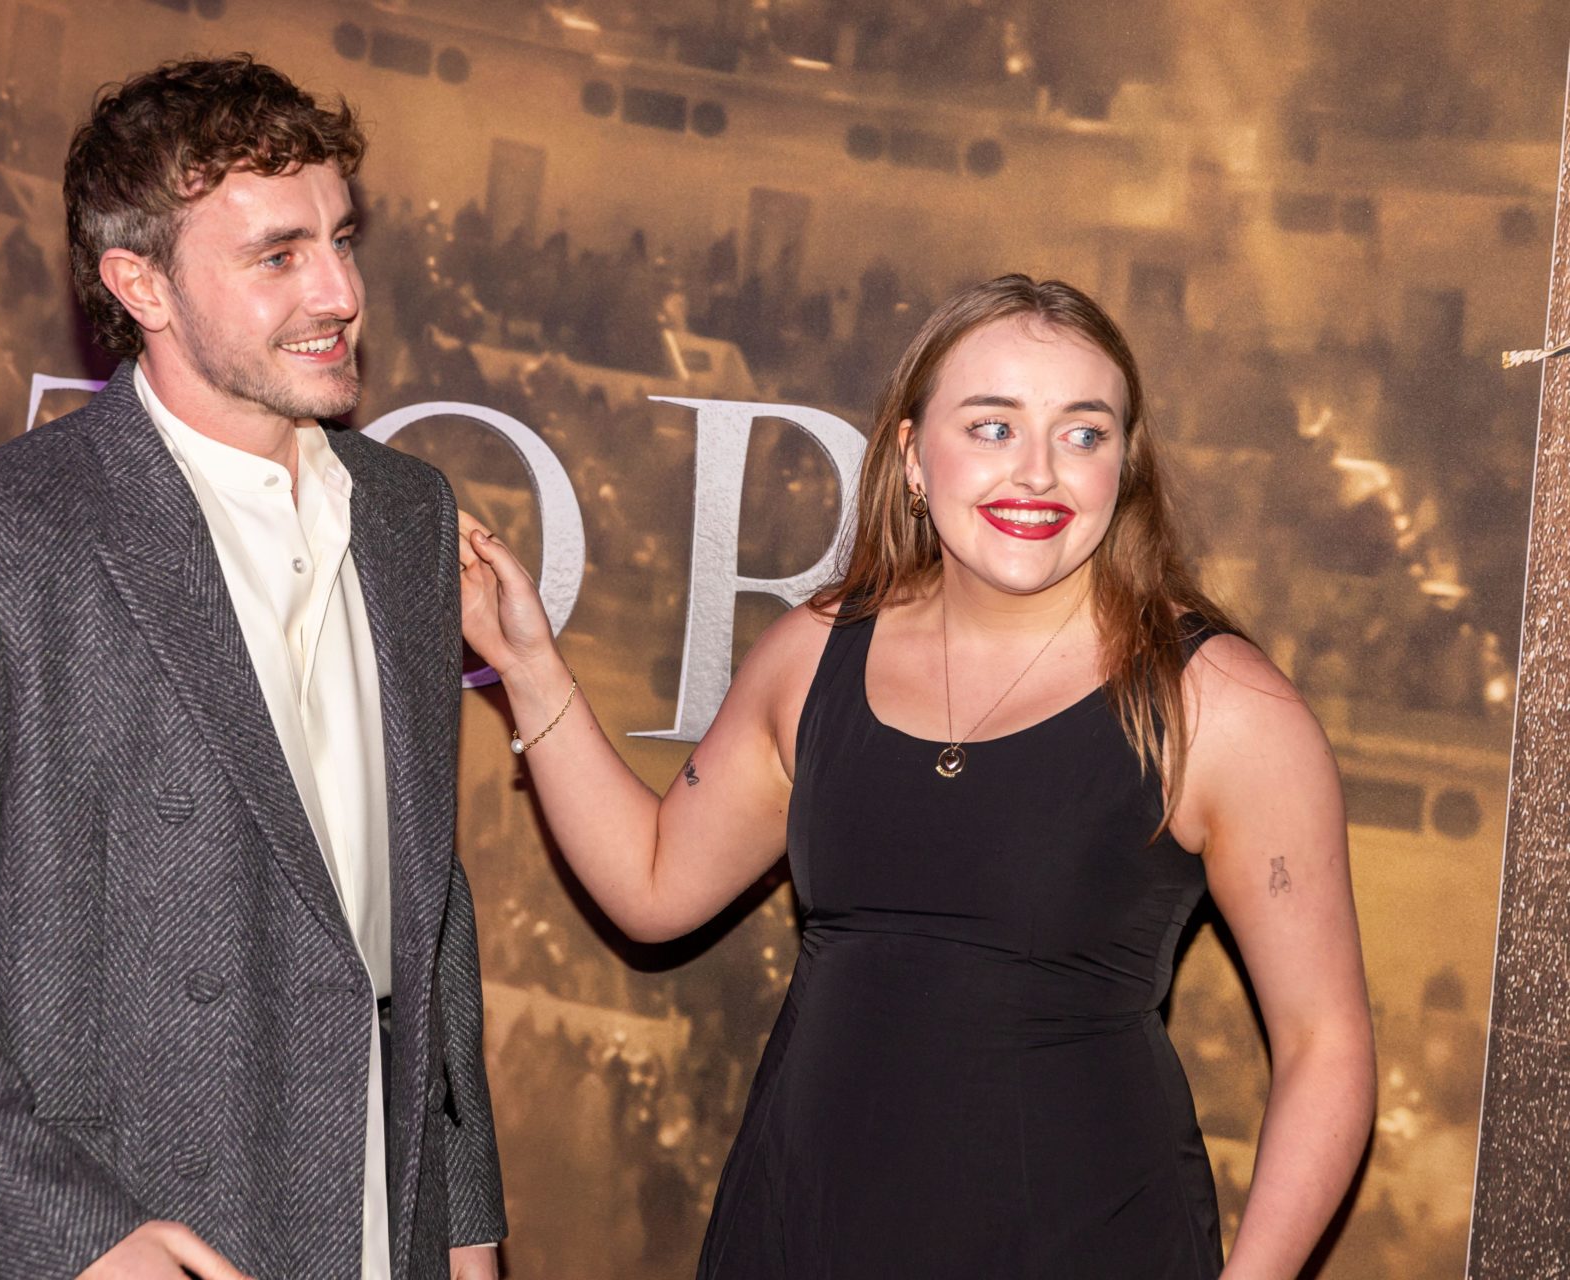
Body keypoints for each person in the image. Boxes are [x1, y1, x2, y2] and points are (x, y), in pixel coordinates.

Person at [460, 274, 1375, 1277]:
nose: (1038, 473)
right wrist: (530, 668)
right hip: (798, 1233)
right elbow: (652, 883)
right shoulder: (816, 654)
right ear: (908, 456)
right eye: (991, 427)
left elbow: (1326, 1045)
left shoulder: (1223, 710)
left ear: (1126, 463)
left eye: (1083, 432)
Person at [0, 56, 505, 1280]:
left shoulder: (409, 515)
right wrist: (67, 1239)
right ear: (142, 285)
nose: (340, 289)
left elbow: (424, 908)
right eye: (278, 255)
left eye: (343, 237)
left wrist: (465, 1216)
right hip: (145, 1224)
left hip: (381, 1231)